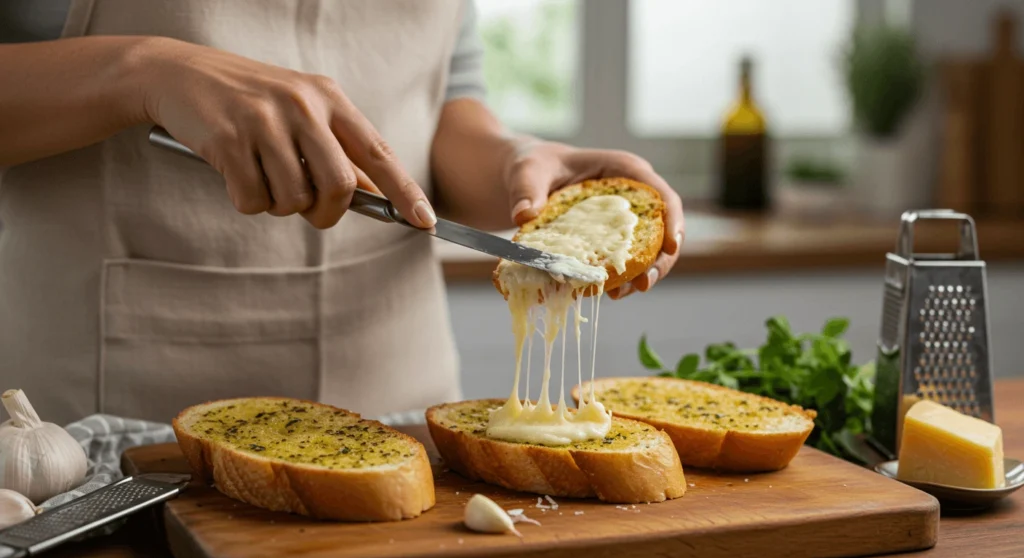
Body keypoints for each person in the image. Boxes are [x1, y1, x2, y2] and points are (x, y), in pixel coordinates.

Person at [0, 0, 685, 426]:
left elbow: (440, 109)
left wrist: (517, 162)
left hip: (399, 395)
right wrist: (142, 70)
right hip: (106, 415)